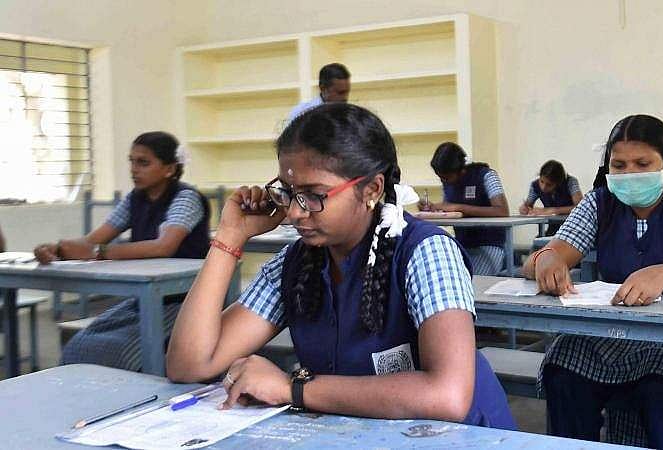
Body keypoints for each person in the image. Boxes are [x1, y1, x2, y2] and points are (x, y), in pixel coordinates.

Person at [166, 103, 516, 430]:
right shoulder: (296, 263)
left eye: (314, 194)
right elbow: (190, 364)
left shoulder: (428, 252)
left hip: (462, 437)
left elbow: (448, 396)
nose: (294, 212)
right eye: (286, 191)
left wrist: (294, 389)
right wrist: (230, 237)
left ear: (371, 189)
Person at [527, 114, 663, 449]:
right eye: (619, 165)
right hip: (618, 328)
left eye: (642, 163)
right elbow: (548, 255)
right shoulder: (600, 203)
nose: (629, 174)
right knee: (562, 369)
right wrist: (548, 259)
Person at [34, 131, 210, 371]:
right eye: (132, 161)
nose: (134, 169)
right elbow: (93, 240)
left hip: (186, 300)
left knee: (122, 355)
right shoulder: (135, 199)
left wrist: (96, 251)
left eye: (143, 162)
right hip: (148, 298)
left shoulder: (186, 198)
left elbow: (163, 246)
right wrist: (58, 249)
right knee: (79, 345)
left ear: (169, 169)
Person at [422, 142, 510, 275]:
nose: (443, 182)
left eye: (446, 177)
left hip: (490, 245)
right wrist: (432, 209)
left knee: (472, 282)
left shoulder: (487, 175)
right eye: (440, 178)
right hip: (462, 246)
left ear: (460, 171)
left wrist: (458, 207)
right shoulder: (448, 183)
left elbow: (502, 211)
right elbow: (449, 210)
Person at [518, 160, 583, 236]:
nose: (543, 187)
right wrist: (524, 209)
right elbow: (528, 205)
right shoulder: (535, 185)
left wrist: (553, 210)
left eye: (549, 184)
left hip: (572, 229)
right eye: (541, 181)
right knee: (537, 244)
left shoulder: (570, 182)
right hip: (553, 229)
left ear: (559, 183)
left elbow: (580, 208)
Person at [287, 63, 351, 121]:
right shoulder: (300, 114)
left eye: (347, 92)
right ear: (323, 88)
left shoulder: (351, 115)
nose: (345, 98)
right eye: (340, 92)